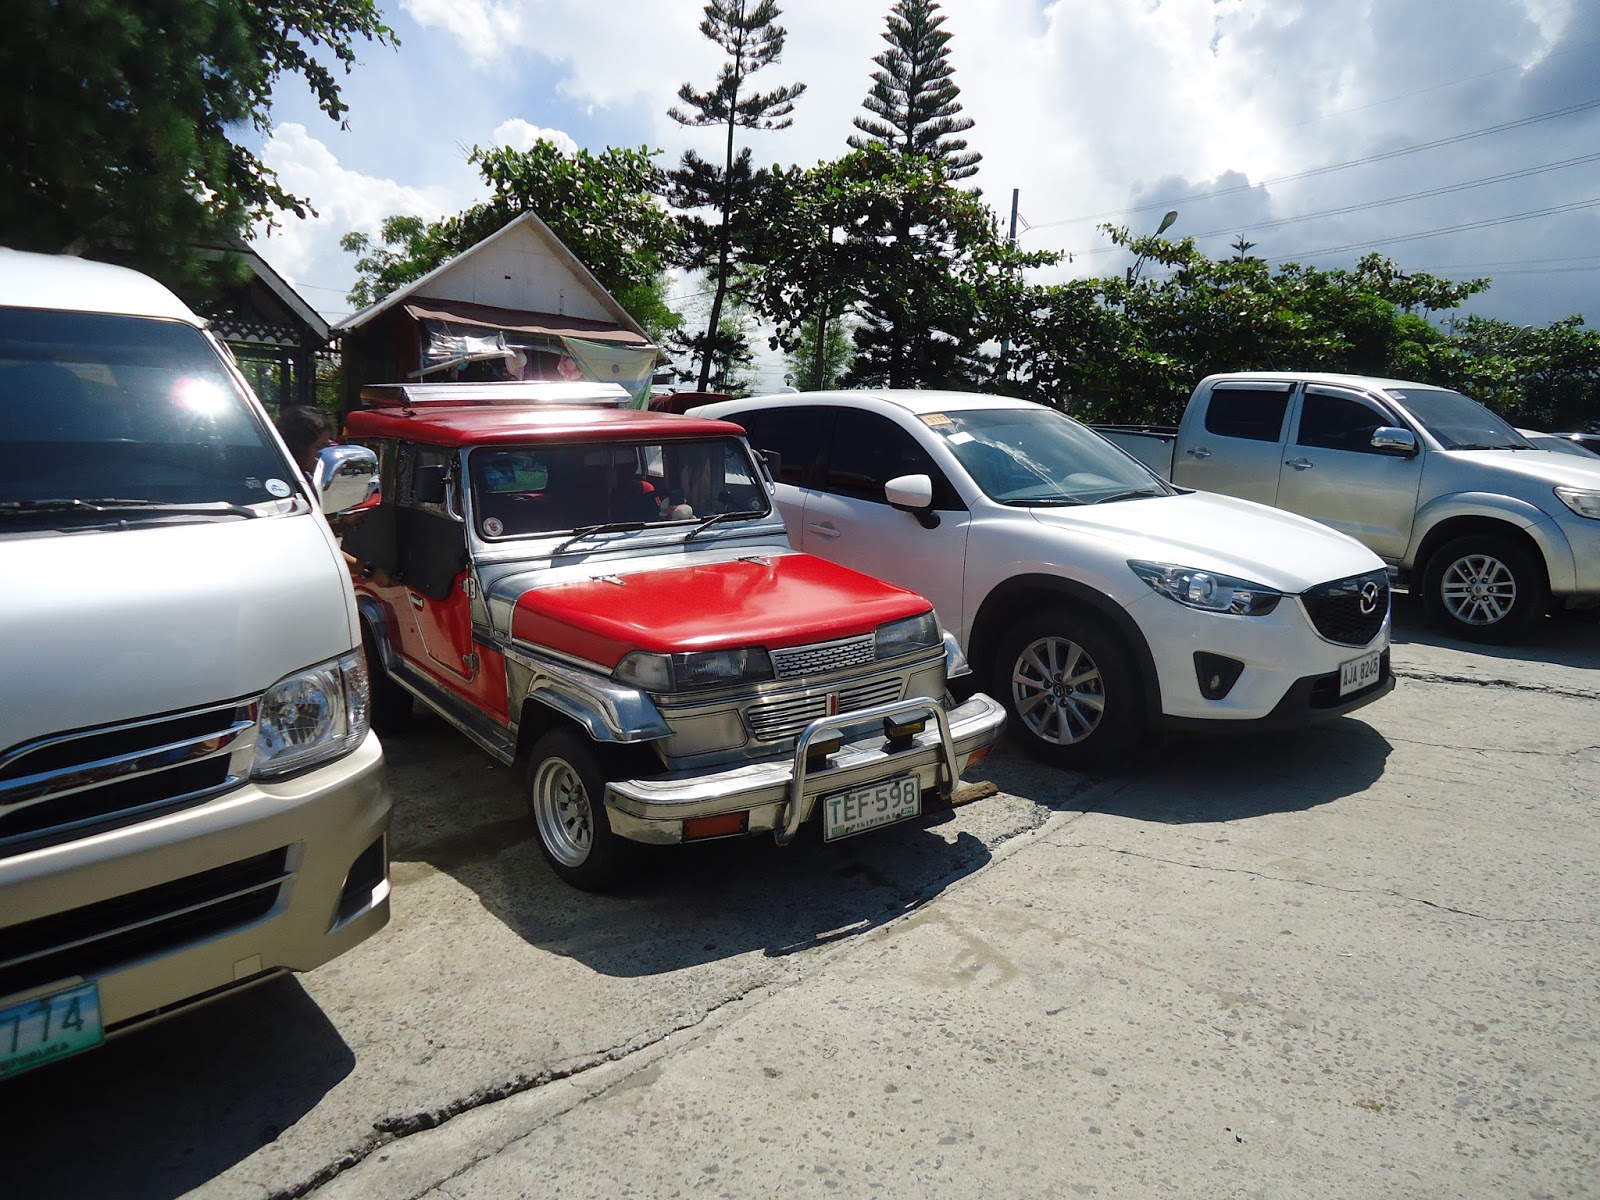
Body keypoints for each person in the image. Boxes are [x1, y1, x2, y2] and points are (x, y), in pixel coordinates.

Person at [274, 406, 395, 587]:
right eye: (320, 447)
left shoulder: (308, 477)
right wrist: (369, 571)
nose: (327, 455)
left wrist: (342, 521)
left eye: (328, 445)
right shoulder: (285, 494)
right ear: (295, 449)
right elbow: (317, 547)